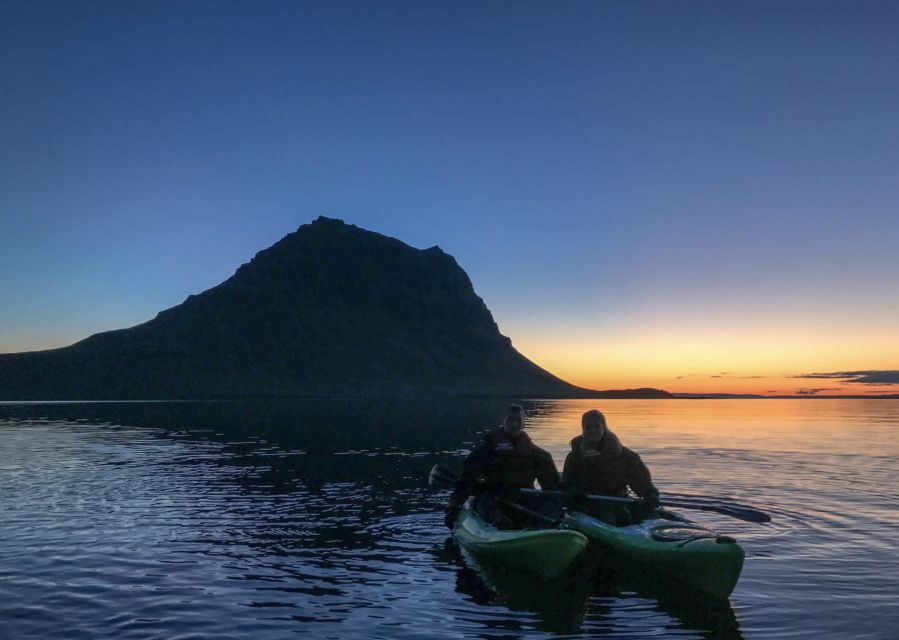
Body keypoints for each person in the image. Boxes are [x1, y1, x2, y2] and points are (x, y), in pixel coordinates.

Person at [444, 404, 559, 529]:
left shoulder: (539, 455)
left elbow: (552, 489)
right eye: (510, 419)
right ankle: (501, 523)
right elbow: (467, 480)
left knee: (548, 504)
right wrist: (454, 505)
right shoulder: (486, 451)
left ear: (524, 423)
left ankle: (541, 528)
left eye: (518, 420)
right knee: (484, 501)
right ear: (502, 421)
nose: (514, 424)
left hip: (524, 500)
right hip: (494, 499)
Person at [561, 409, 660, 523]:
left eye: (596, 426)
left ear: (604, 427)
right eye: (588, 427)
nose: (592, 430)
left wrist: (650, 493)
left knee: (643, 512)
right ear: (583, 429)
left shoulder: (623, 455)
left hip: (617, 501)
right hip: (585, 502)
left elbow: (640, 479)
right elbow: (566, 482)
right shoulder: (575, 456)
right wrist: (572, 491)